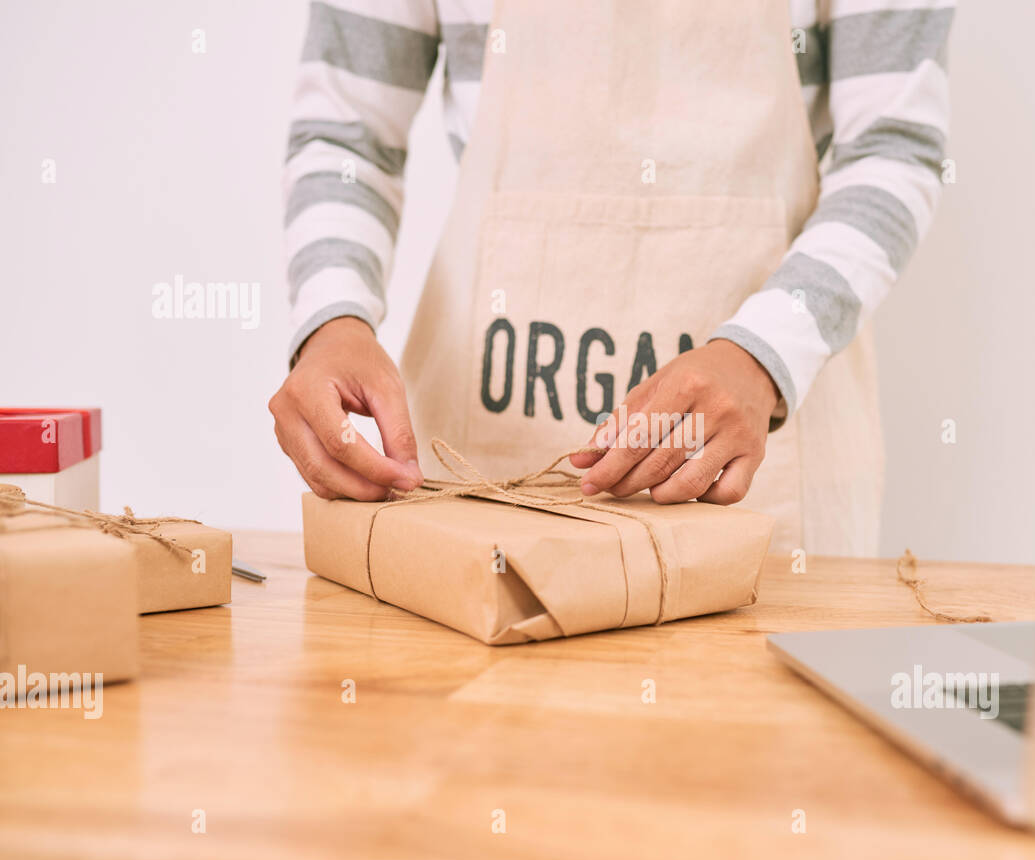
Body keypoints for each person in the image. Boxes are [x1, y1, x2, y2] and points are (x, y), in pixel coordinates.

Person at [270, 0, 953, 556]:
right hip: (480, 496)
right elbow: (346, 134)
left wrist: (760, 358)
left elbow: (893, 150)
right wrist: (333, 318)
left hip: (767, 490)